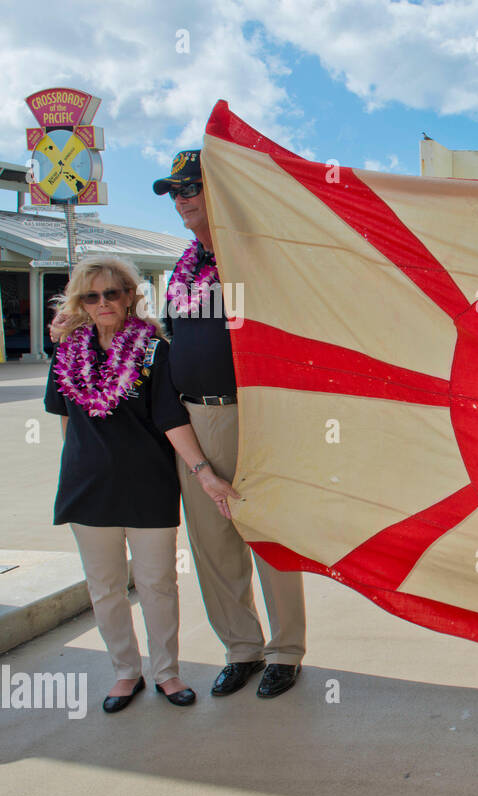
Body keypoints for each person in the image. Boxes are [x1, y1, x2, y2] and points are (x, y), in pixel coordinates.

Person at [44, 256, 238, 713]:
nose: (103, 302)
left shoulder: (155, 350)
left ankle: (167, 673)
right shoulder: (68, 350)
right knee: (105, 587)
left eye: (113, 292)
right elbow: (62, 413)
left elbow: (170, 418)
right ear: (80, 303)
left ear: (131, 295)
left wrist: (203, 473)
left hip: (148, 484)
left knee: (158, 584)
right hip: (88, 486)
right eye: (91, 296)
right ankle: (125, 672)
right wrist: (57, 342)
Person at [155, 149, 308, 698]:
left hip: (255, 415)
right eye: (175, 190)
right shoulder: (182, 267)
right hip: (196, 417)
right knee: (213, 544)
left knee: (267, 535)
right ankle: (241, 648)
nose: (182, 197)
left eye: (192, 186)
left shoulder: (253, 254)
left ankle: (285, 652)